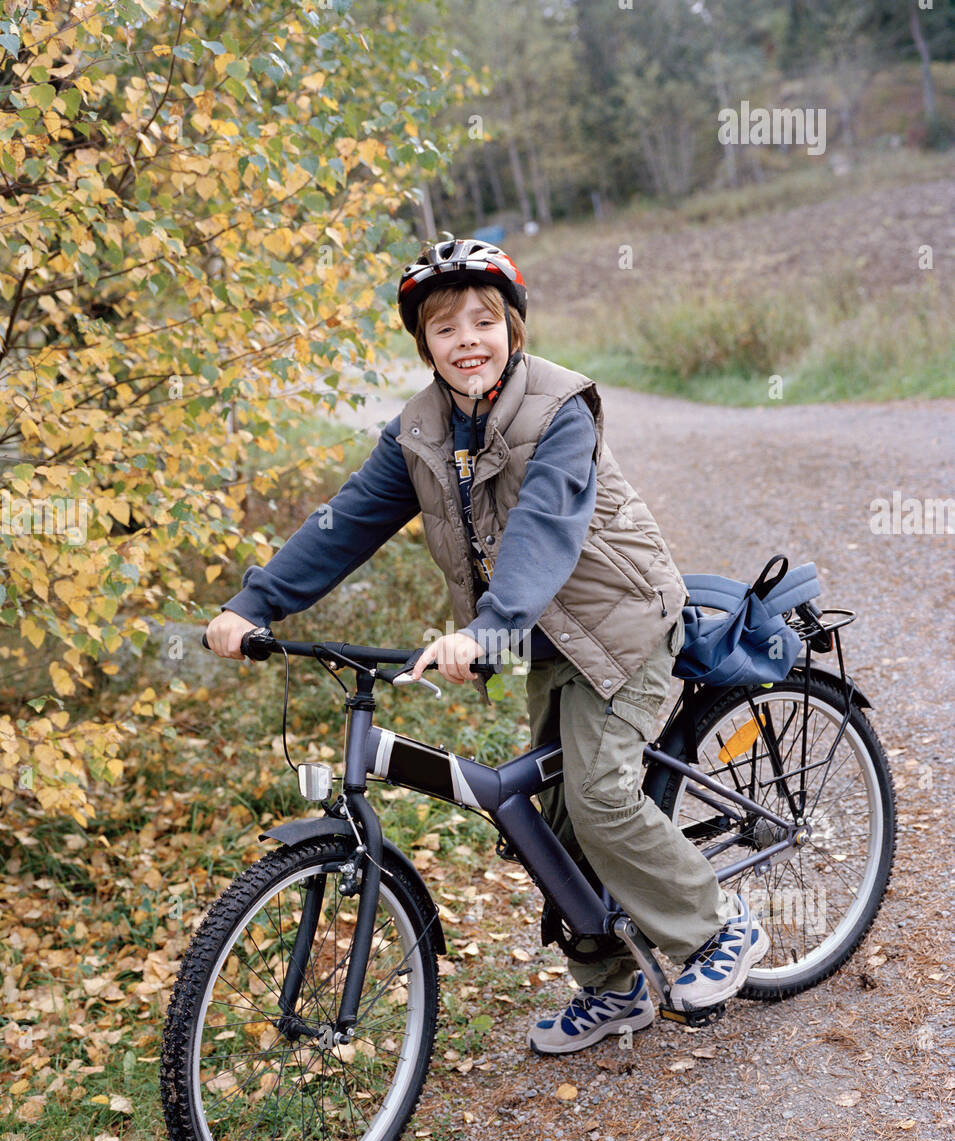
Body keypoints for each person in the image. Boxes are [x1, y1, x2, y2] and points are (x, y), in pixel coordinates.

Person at [205, 237, 768, 1054]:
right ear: (424, 346)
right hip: (546, 641)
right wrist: (256, 602)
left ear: (512, 327)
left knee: (601, 796)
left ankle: (717, 929)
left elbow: (541, 531)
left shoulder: (560, 409)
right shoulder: (421, 430)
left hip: (622, 622)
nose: (467, 339)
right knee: (555, 817)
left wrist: (488, 629)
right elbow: (346, 521)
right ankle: (610, 987)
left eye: (483, 320)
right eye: (444, 329)